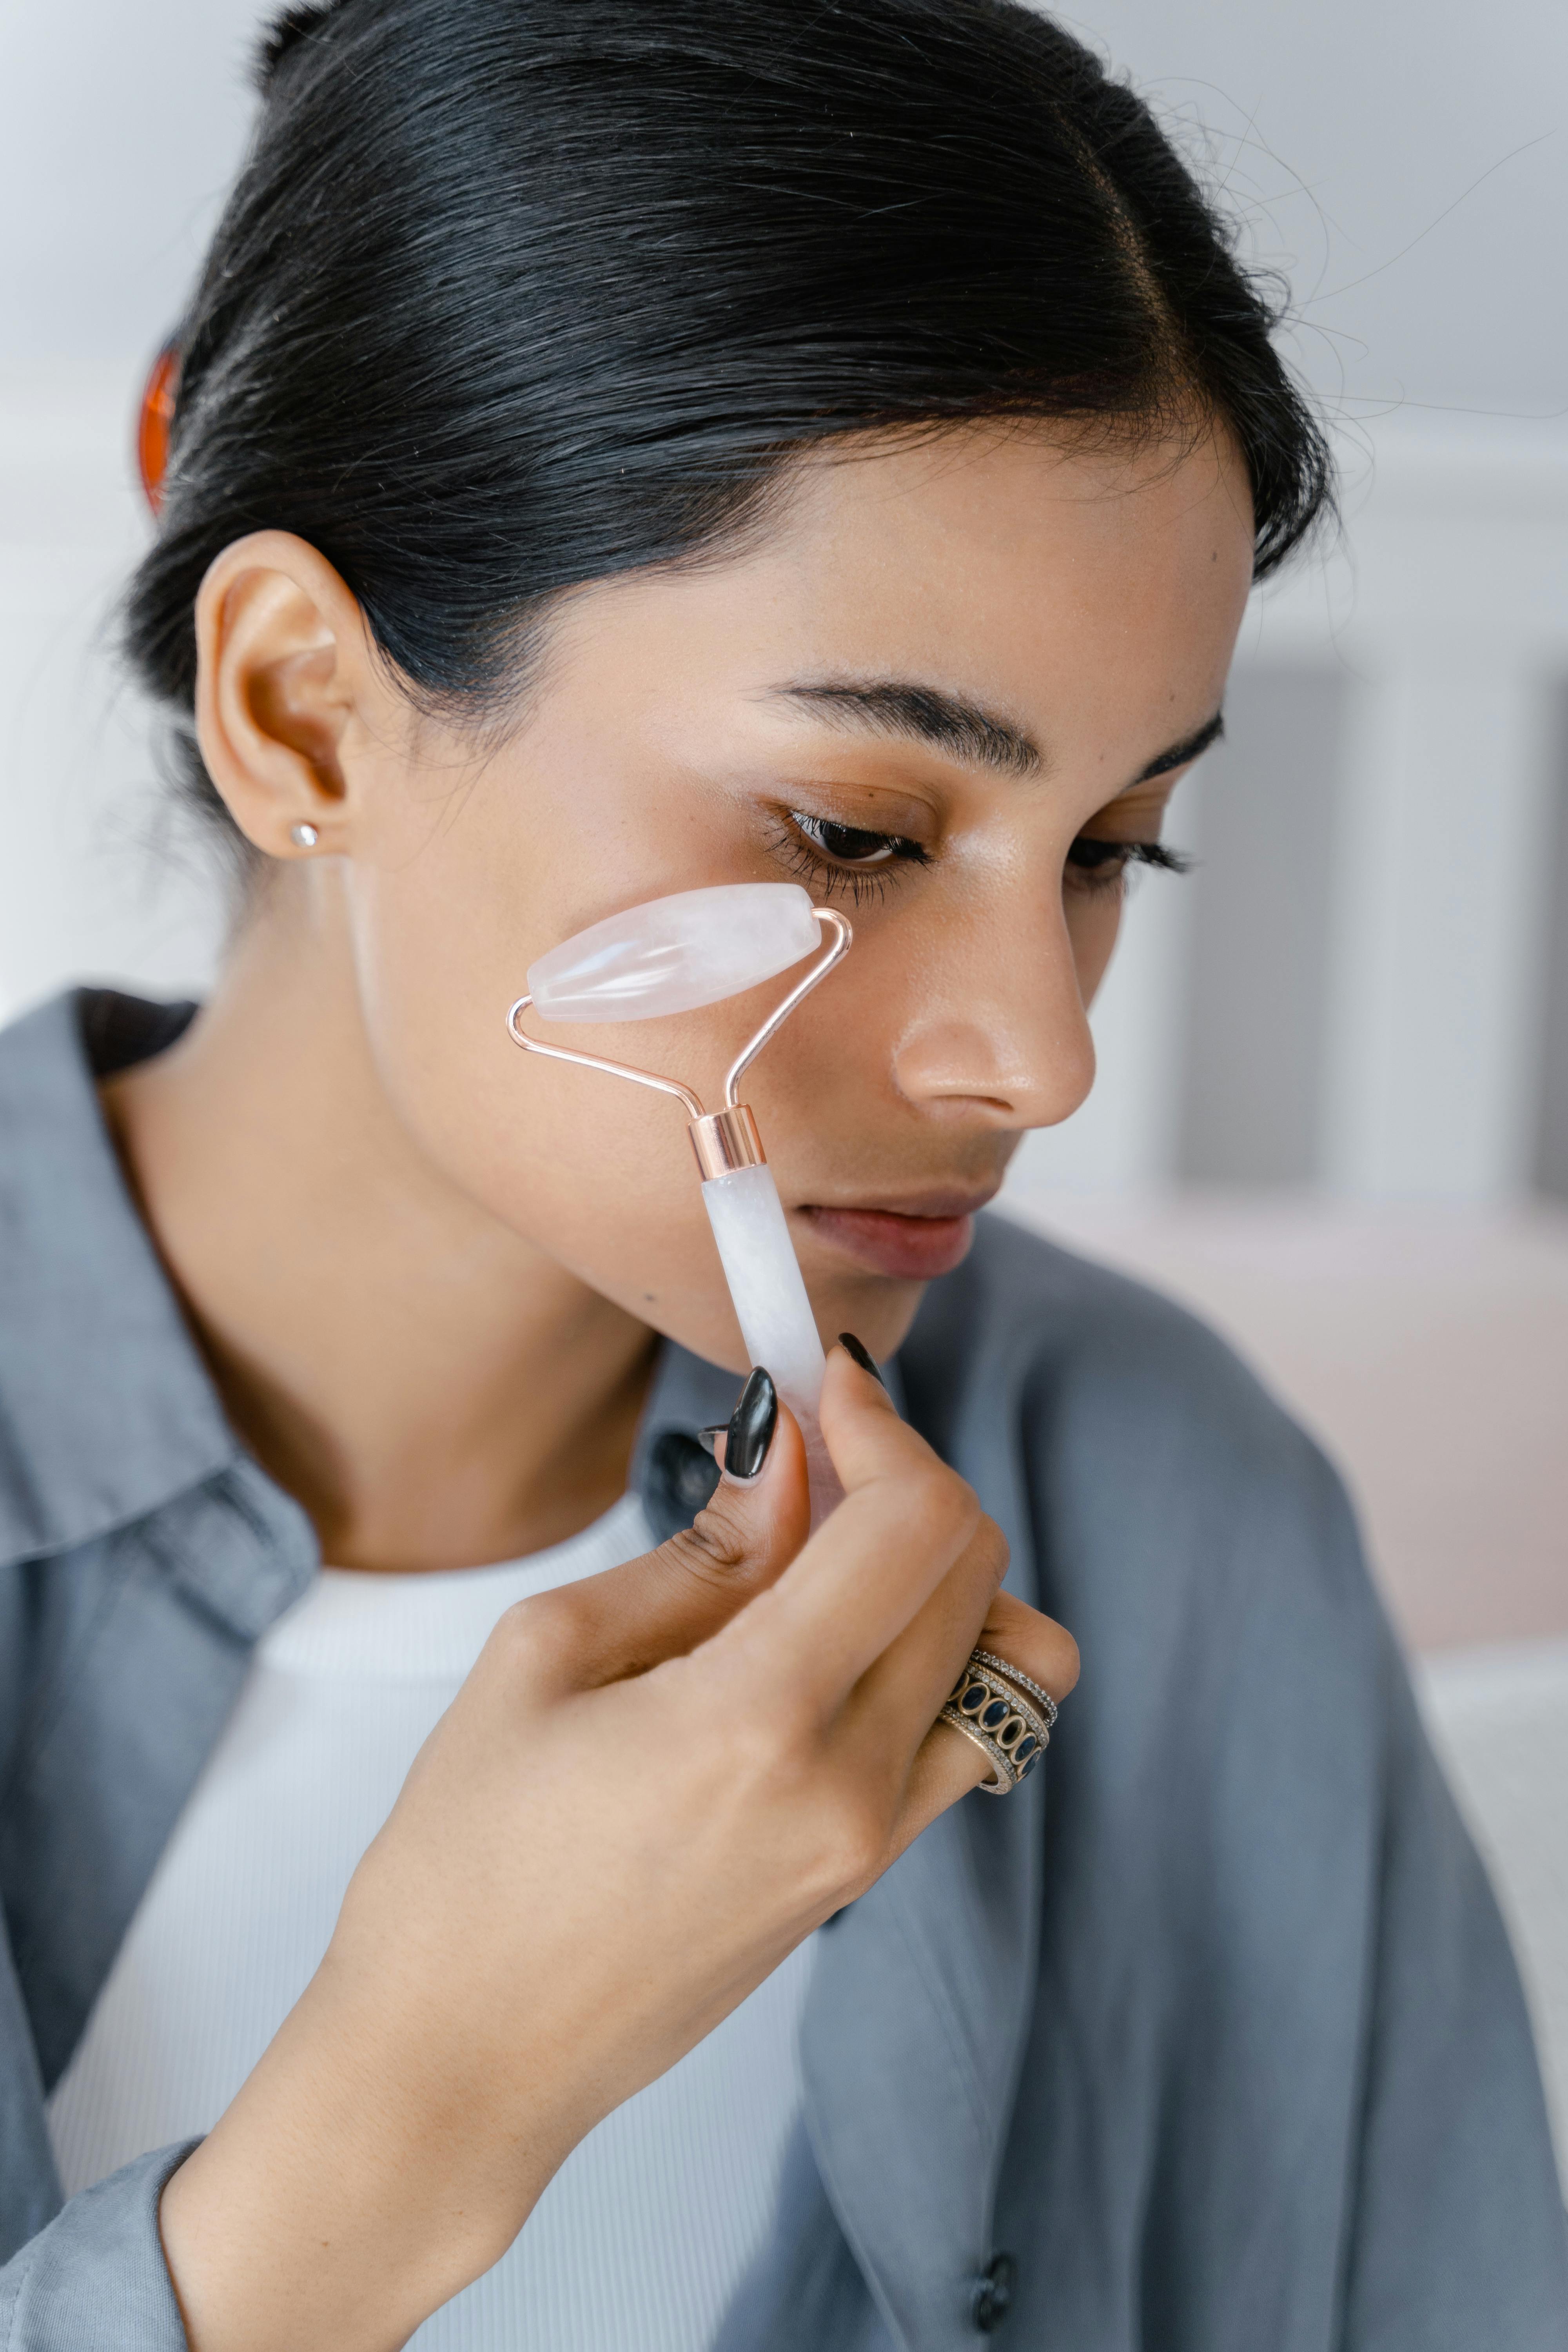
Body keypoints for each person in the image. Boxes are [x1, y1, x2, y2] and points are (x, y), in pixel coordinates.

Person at [1, 1, 1563, 2346]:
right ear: (305, 710)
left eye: (1122, 843)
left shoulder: (1177, 1515)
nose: (1040, 1056)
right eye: (854, 830)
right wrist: (405, 2125)